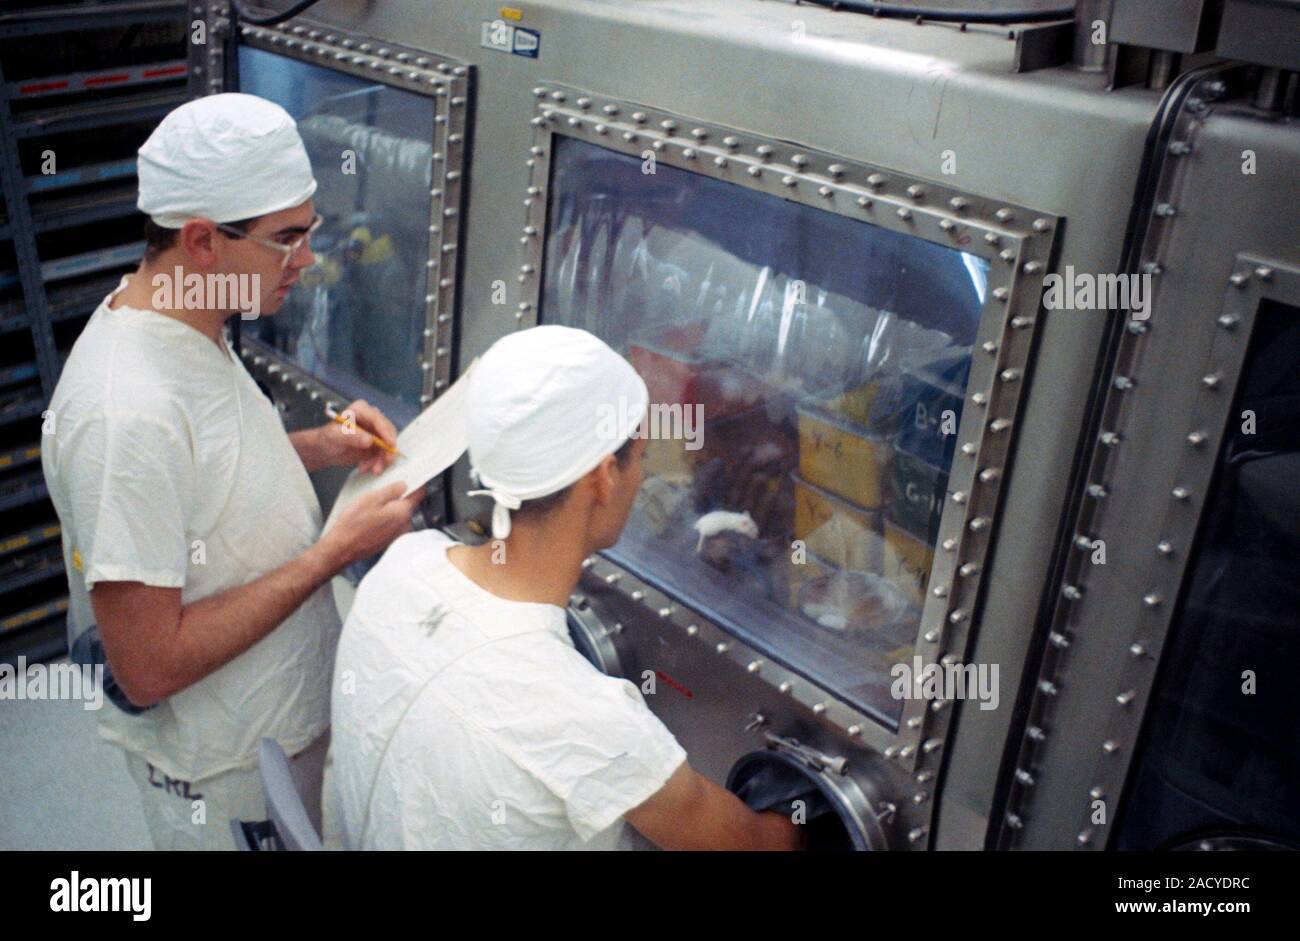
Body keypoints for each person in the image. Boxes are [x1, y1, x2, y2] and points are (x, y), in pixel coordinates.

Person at [40, 94, 424, 850]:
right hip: (228, 778)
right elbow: (147, 666)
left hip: (274, 726)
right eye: (287, 238)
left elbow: (204, 471)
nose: (308, 258)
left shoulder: (186, 320)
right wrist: (332, 553)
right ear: (202, 242)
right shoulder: (126, 411)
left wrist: (319, 444)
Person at [324, 325, 802, 850]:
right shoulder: (590, 723)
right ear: (602, 477)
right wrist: (803, 810)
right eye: (640, 458)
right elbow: (754, 846)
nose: (642, 478)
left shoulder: (402, 566)